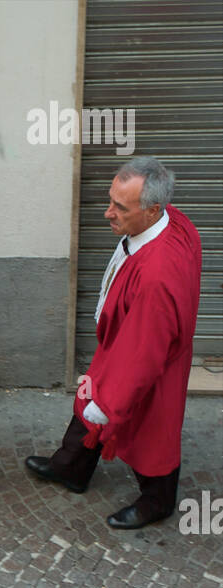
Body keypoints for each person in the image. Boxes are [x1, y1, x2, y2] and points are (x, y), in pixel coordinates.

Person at [26, 157, 201, 529]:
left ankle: (159, 499)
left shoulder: (157, 277)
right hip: (128, 337)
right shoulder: (171, 221)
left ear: (153, 211)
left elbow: (143, 357)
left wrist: (111, 402)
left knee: (150, 430)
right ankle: (72, 466)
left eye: (120, 208)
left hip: (146, 353)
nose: (108, 213)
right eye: (110, 200)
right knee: (90, 399)